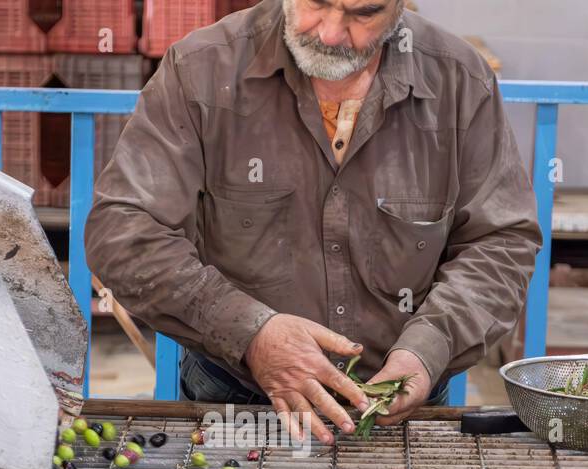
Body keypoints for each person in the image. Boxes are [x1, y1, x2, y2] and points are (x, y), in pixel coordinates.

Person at [86, 0, 541, 444]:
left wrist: (428, 347)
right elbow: (125, 232)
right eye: (316, 3)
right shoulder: (202, 69)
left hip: (399, 412)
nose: (329, 32)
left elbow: (500, 240)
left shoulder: (459, 80)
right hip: (235, 402)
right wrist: (252, 332)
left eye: (365, 13)